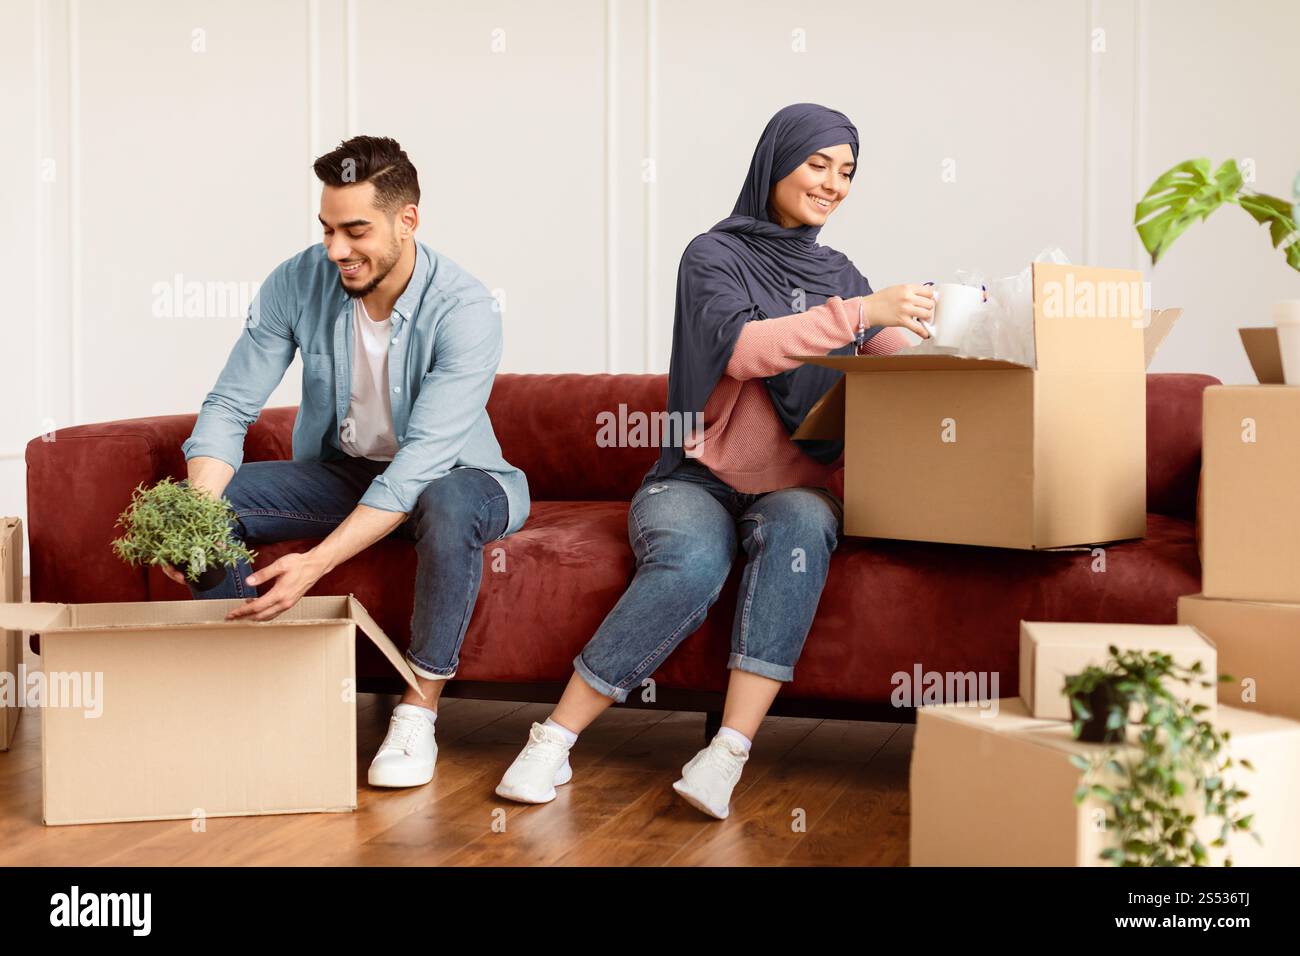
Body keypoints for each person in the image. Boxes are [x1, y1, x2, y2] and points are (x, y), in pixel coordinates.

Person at [495, 103, 934, 818]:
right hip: (693, 480)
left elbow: (884, 355)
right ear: (775, 161)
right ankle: (554, 739)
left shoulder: (841, 273)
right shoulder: (713, 255)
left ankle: (726, 753)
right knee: (694, 561)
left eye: (847, 172)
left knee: (799, 526)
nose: (832, 184)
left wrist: (949, 344)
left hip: (795, 488)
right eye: (817, 163)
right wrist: (862, 313)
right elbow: (744, 348)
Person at [176, 135, 530, 790]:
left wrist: (315, 562)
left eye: (356, 230)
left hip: (460, 479)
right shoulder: (298, 280)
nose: (337, 249)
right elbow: (230, 405)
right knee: (201, 509)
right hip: (346, 473)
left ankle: (418, 711)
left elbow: (423, 461)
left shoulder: (466, 307)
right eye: (328, 229)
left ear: (408, 220)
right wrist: (196, 509)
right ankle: (252, 695)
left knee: (445, 503)